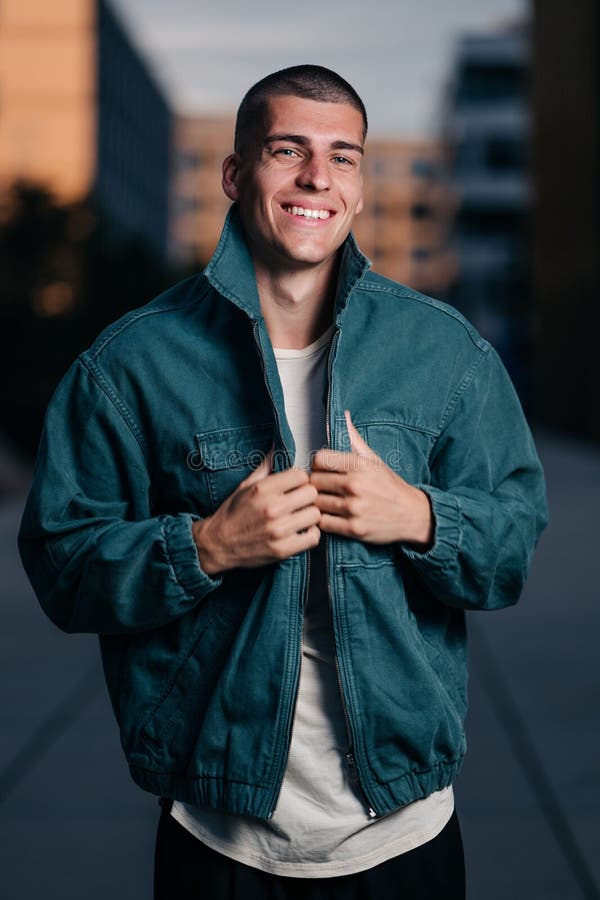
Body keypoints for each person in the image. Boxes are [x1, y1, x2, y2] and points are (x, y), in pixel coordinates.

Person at [18, 65, 548, 899]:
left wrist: (420, 516)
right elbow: (62, 563)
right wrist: (203, 547)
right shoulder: (131, 365)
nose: (317, 177)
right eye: (288, 150)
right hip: (217, 831)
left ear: (360, 186)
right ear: (236, 174)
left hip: (406, 828)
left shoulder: (447, 355)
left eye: (343, 157)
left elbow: (511, 547)